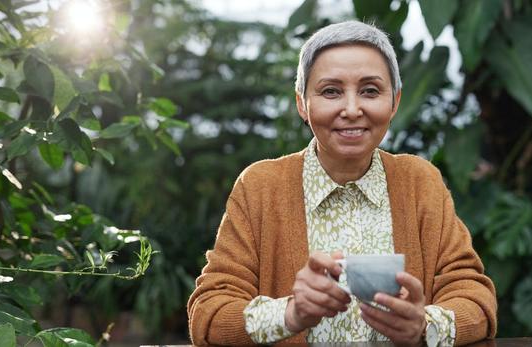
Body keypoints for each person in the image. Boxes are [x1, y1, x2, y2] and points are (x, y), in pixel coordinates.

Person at [187, 21, 497, 346]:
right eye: (331, 91)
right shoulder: (260, 187)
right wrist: (290, 314)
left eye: (370, 91)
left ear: (395, 102)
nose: (351, 110)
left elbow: (475, 297)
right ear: (302, 104)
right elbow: (209, 313)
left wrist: (424, 325)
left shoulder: (421, 182)